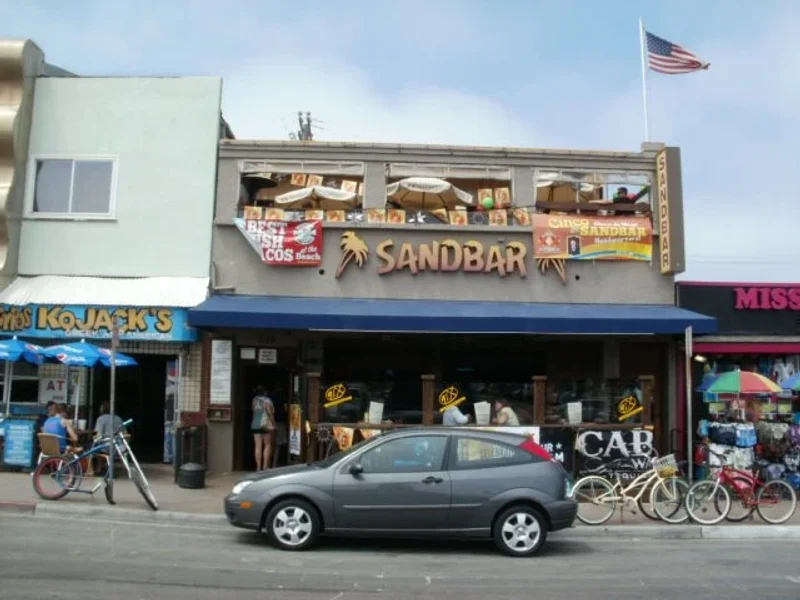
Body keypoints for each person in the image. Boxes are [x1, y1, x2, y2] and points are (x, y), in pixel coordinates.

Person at [251, 386, 275, 471]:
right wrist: (273, 423)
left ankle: (258, 467)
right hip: (265, 425)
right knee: (267, 445)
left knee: (258, 446)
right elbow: (269, 413)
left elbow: (254, 410)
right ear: (265, 392)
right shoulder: (267, 401)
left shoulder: (254, 400)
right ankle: (265, 466)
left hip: (255, 424)